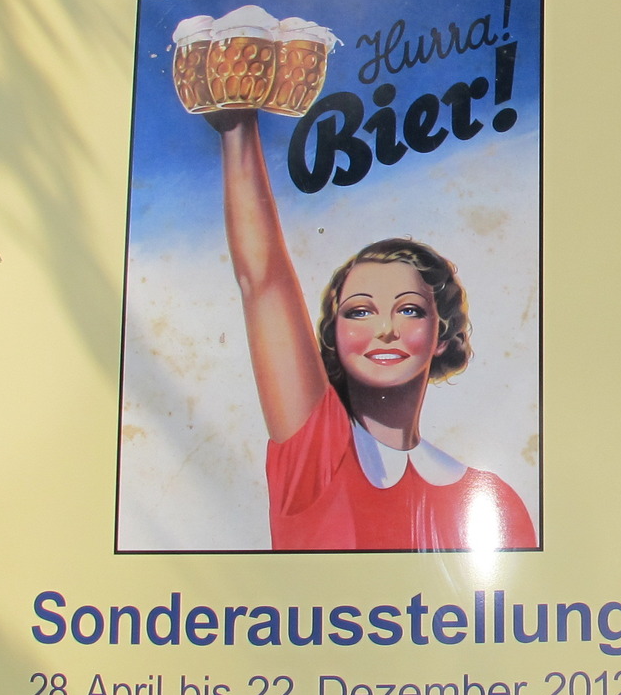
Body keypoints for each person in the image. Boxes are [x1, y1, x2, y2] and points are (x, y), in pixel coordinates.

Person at [208, 108, 537, 552]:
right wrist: (237, 127)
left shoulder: (496, 503)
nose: (385, 329)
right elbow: (263, 283)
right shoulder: (316, 455)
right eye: (360, 312)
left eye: (409, 311)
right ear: (335, 337)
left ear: (442, 334)